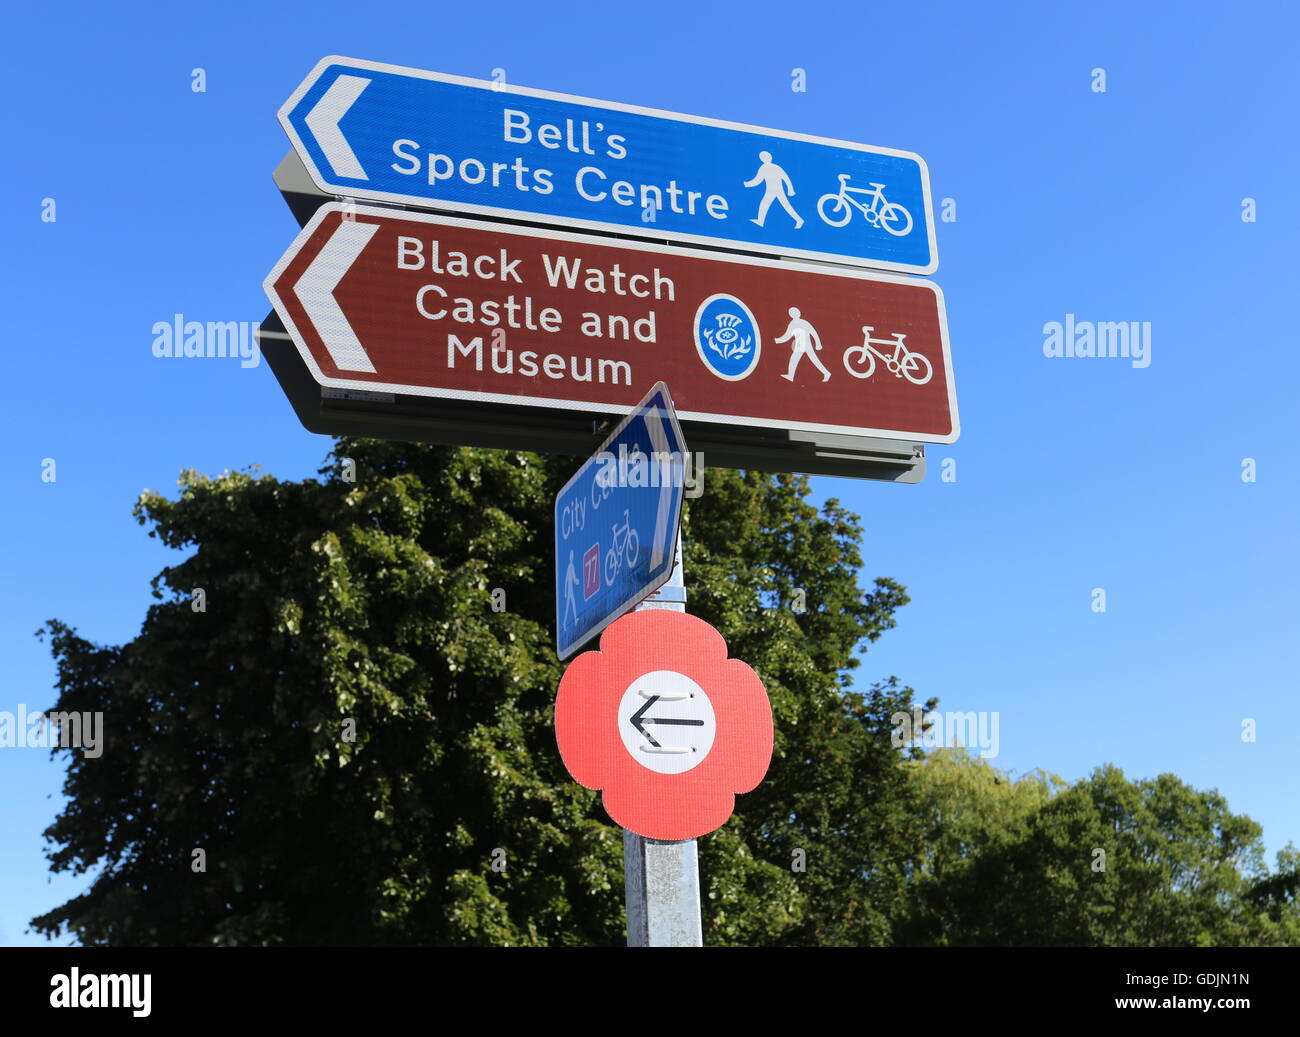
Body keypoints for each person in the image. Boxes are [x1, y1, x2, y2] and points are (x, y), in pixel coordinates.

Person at [744, 151, 803, 229]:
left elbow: (785, 178)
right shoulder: (770, 167)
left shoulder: (767, 167)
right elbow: (758, 180)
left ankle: (799, 220)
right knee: (765, 204)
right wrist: (790, 189)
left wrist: (746, 184)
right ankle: (760, 221)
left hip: (776, 190)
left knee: (786, 206)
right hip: (772, 190)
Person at [775, 307, 831, 382]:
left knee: (812, 360)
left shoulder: (803, 322)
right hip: (800, 346)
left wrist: (818, 344)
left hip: (805, 345)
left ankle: (826, 373)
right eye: (792, 313)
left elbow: (813, 332)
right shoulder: (792, 324)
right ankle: (791, 376)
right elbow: (787, 336)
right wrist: (777, 340)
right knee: (797, 359)